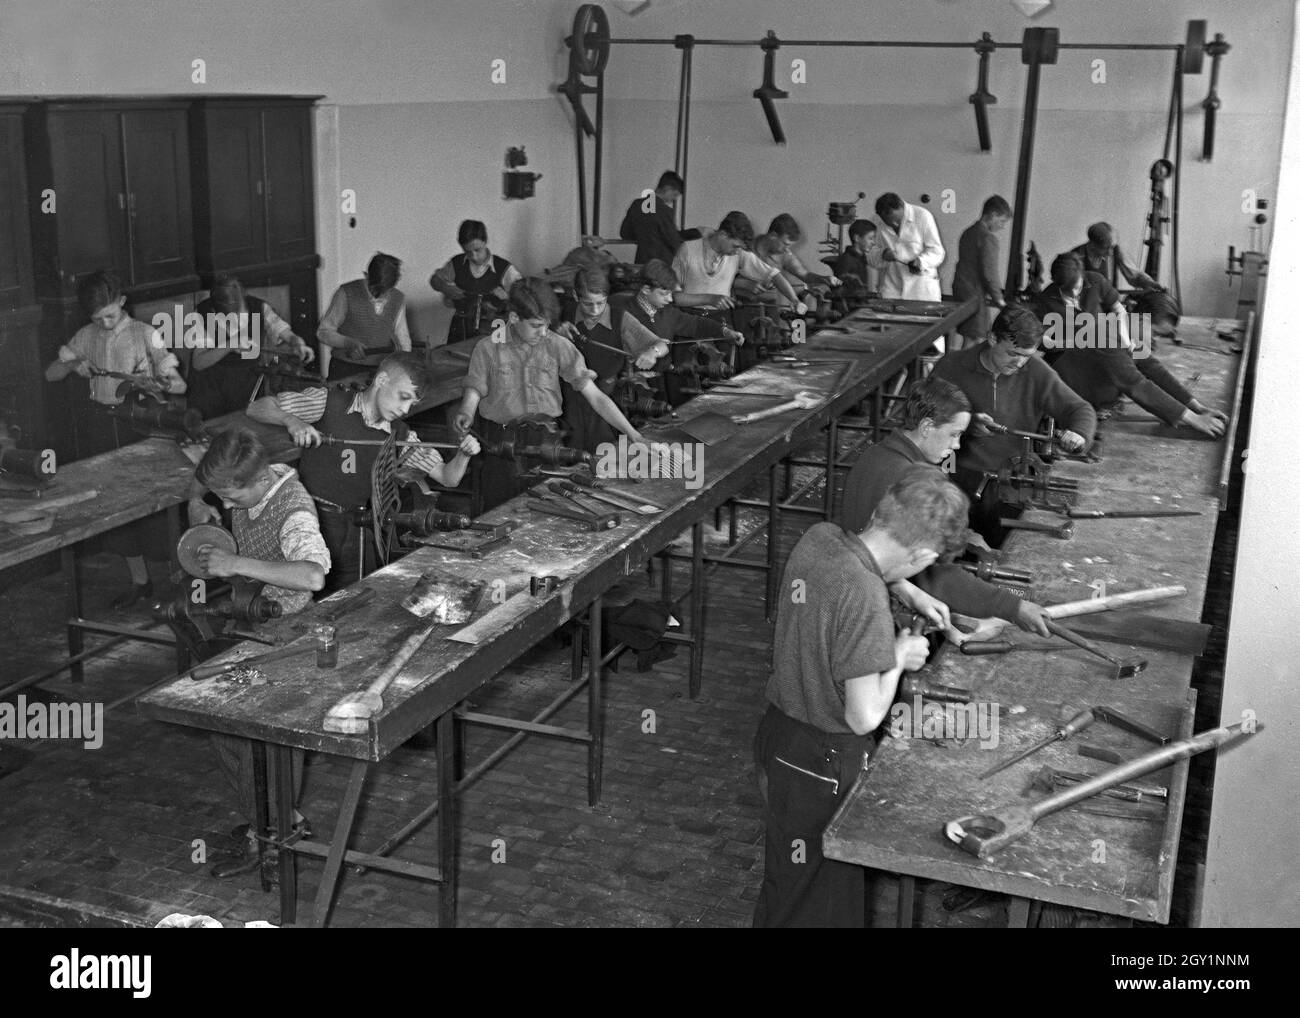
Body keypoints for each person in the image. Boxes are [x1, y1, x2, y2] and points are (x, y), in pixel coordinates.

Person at [753, 470, 969, 928]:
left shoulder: (819, 538)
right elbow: (864, 715)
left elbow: (857, 563)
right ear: (925, 554)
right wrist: (896, 657)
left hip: (779, 741)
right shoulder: (865, 595)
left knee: (789, 890)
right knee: (824, 909)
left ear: (882, 512)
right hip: (824, 764)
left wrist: (905, 587)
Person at [186, 427, 328, 878]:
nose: (227, 506)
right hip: (255, 626)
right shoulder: (256, 476)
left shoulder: (294, 511)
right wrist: (199, 504)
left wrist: (235, 564)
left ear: (263, 480)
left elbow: (312, 577)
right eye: (222, 497)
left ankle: (270, 836)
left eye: (233, 498)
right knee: (232, 731)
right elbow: (204, 478)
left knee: (250, 736)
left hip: (286, 636)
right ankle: (275, 822)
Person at [246, 352, 478, 592]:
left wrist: (464, 455)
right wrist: (291, 421)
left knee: (353, 594)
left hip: (356, 525)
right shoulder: (328, 402)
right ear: (381, 380)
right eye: (403, 397)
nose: (405, 409)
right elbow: (256, 408)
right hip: (309, 521)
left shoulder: (399, 434)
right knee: (305, 596)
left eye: (411, 404)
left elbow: (447, 477)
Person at [839, 378, 1052, 636]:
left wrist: (967, 538)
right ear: (927, 426)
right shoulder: (914, 480)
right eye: (954, 434)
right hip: (876, 611)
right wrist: (1013, 607)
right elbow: (935, 576)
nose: (957, 446)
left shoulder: (875, 454)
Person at [44, 270, 187, 606]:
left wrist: (161, 384)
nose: (106, 324)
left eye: (110, 314)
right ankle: (141, 582)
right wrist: (73, 364)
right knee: (116, 506)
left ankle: (181, 584)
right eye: (98, 318)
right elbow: (51, 374)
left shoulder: (145, 334)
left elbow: (178, 383)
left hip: (140, 425)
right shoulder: (85, 335)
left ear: (122, 301)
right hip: (102, 427)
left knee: (156, 505)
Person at [454, 278, 650, 511]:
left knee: (548, 512)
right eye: (536, 325)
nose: (544, 332)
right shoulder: (488, 348)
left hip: (546, 444)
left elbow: (596, 397)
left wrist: (632, 434)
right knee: (500, 512)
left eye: (547, 325)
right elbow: (475, 388)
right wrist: (466, 411)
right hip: (501, 447)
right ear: (515, 318)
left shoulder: (557, 345)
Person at [930, 305, 1096, 537]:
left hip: (1010, 484)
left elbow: (1080, 408)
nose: (1019, 363)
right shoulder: (951, 367)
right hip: (953, 476)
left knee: (1003, 546)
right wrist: (966, 427)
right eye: (1012, 354)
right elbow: (921, 420)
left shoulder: (1035, 371)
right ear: (992, 338)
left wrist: (1079, 433)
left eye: (1026, 356)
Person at [1039, 255, 1226, 437]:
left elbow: (1151, 367)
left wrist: (1197, 406)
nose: (1155, 341)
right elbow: (1135, 384)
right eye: (1155, 333)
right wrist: (1193, 419)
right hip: (1066, 403)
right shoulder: (1102, 334)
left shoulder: (1124, 326)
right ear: (1141, 318)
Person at [611, 260, 744, 407]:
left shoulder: (668, 313)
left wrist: (725, 332)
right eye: (664, 294)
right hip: (627, 387)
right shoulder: (619, 309)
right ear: (646, 289)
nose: (670, 299)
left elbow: (696, 324)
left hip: (659, 383)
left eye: (671, 294)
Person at [188, 275, 314, 419]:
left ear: (243, 294)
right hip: (211, 389)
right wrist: (230, 345)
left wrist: (298, 344)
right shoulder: (203, 312)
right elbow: (198, 362)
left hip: (247, 384)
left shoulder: (260, 307)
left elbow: (286, 334)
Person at [317, 253, 411, 381]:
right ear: (366, 276)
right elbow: (323, 332)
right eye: (376, 290)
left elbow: (403, 337)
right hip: (345, 368)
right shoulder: (346, 293)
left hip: (379, 370)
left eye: (386, 291)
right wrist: (347, 342)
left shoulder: (398, 298)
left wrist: (406, 365)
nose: (381, 296)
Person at [429, 220, 523, 345]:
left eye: (477, 250)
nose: (473, 256)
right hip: (461, 328)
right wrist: (446, 288)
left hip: (493, 329)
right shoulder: (457, 263)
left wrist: (507, 299)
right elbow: (435, 280)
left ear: (485, 242)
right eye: (468, 252)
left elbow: (524, 299)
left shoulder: (504, 268)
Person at [951, 195, 1012, 347]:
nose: (1002, 226)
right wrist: (999, 300)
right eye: (1002, 221)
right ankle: (965, 370)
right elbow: (989, 273)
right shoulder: (988, 239)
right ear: (993, 215)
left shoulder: (968, 232)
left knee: (970, 336)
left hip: (960, 289)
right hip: (974, 293)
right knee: (975, 338)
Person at [865, 192, 945, 302]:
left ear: (902, 207)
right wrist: (882, 254)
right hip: (890, 289)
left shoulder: (923, 216)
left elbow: (937, 251)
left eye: (897, 220)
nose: (895, 225)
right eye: (889, 223)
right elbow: (869, 254)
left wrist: (921, 261)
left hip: (922, 290)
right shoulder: (875, 221)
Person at [751, 213, 840, 302]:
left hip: (769, 303)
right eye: (785, 244)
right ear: (773, 236)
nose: (787, 250)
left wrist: (824, 279)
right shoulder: (747, 248)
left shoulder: (784, 254)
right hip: (743, 302)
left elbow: (804, 275)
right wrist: (748, 284)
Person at [618, 170, 685, 266]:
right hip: (662, 266)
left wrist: (643, 237)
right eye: (675, 195)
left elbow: (625, 233)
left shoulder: (636, 205)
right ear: (668, 189)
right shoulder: (665, 211)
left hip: (641, 263)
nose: (674, 199)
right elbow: (673, 241)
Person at [1070, 222, 1158, 291]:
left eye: (1112, 247)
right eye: (1106, 248)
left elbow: (1135, 276)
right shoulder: (1075, 257)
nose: (1110, 252)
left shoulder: (1116, 250)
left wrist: (1149, 283)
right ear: (1092, 244)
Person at [833, 219, 877, 290]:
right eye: (870, 238)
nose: (873, 242)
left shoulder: (862, 258)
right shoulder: (846, 260)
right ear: (857, 238)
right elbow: (839, 291)